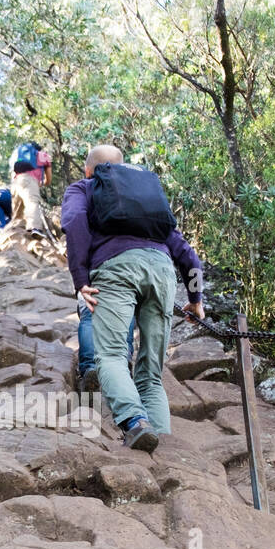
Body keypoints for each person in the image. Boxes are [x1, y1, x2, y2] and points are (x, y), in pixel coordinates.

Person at [62, 144, 205, 453]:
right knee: (151, 372)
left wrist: (81, 280)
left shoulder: (84, 187)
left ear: (90, 170)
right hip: (162, 273)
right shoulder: (145, 197)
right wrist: (196, 297)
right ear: (123, 167)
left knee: (111, 356)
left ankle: (135, 422)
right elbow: (188, 255)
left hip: (115, 270)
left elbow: (74, 223)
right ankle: (164, 447)